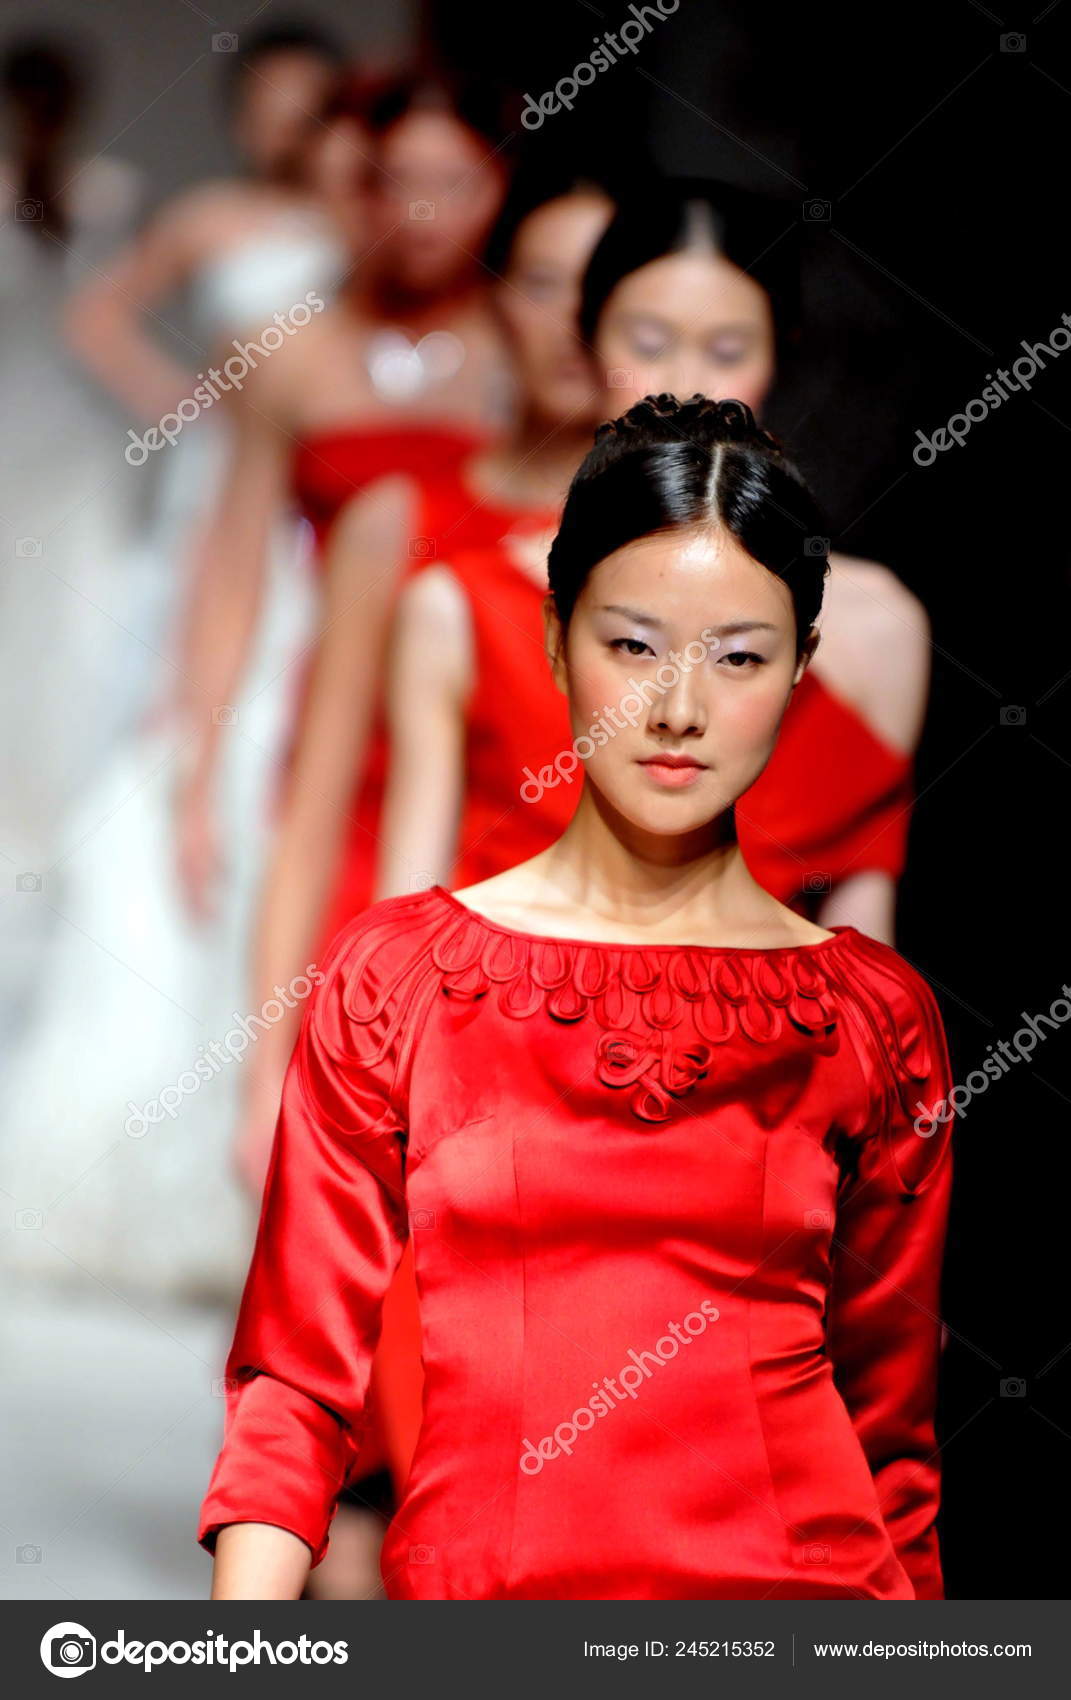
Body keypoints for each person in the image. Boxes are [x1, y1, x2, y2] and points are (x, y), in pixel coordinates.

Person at [198, 395, 956, 1602]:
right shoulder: (402, 978)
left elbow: (895, 1438)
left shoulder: (869, 1015)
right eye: (634, 643)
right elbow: (295, 1384)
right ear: (554, 640)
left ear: (805, 669)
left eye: (742, 656)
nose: (678, 708)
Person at [231, 166, 617, 1601]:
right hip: (403, 988)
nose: (571, 325)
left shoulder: (674, 565)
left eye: (603, 294)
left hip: (591, 1028)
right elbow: (315, 793)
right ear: (493, 303)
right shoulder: (404, 518)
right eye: (538, 284)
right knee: (375, 1433)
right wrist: (264, 1066)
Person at [172, 68, 516, 920]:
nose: (427, 213)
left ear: (500, 185)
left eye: (455, 184)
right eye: (402, 182)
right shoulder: (291, 355)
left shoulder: (525, 354)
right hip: (331, 699)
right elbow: (234, 570)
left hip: (491, 707)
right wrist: (200, 772)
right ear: (362, 187)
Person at [581, 180, 931, 943]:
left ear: (781, 357)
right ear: (585, 339)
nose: (684, 383)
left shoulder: (873, 624)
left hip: (766, 1044)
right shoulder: (476, 597)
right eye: (646, 343)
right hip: (511, 1040)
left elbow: (862, 943)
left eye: (728, 350)